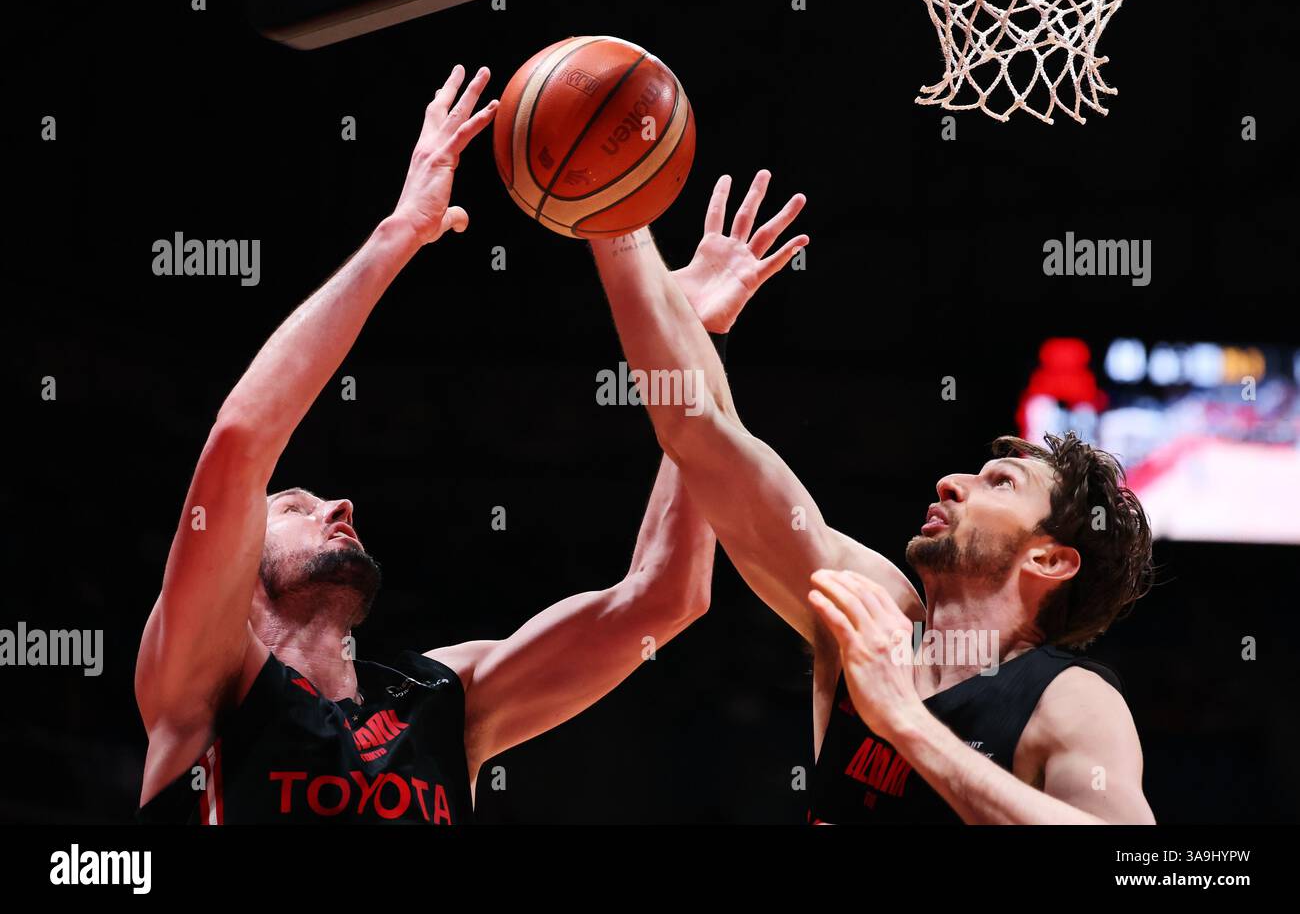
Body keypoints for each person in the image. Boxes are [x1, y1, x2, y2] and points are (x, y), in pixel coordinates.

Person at [134, 64, 745, 823]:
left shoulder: (438, 702)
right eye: (293, 505)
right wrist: (402, 232)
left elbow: (666, 596)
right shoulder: (203, 683)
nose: (339, 504)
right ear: (232, 559)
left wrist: (694, 342)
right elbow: (241, 440)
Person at [589, 168, 1156, 823]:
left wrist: (907, 725)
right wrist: (642, 251)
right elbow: (700, 435)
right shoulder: (868, 613)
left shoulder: (1070, 699)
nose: (952, 482)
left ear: (1050, 560)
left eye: (1000, 482)